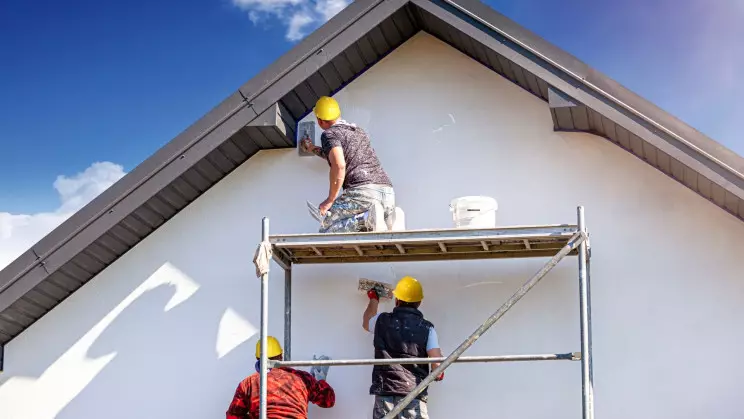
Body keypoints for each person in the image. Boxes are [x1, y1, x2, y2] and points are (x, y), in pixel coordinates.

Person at [300, 96, 395, 233]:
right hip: (387, 193)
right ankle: (391, 220)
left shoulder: (329, 134)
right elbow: (337, 154)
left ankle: (367, 219)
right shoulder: (358, 131)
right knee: (376, 227)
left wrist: (330, 200)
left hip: (364, 193)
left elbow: (339, 165)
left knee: (326, 225)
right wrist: (311, 148)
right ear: (338, 114)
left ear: (320, 121)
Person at [362, 276, 444, 419]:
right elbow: (437, 365)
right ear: (419, 302)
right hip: (414, 395)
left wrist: (374, 298)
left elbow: (366, 322)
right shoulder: (427, 328)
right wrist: (438, 373)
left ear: (397, 300)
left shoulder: (382, 321)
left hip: (385, 393)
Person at [226, 336, 336, 419]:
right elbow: (328, 401)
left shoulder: (249, 383)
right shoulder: (302, 378)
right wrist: (321, 381)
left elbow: (233, 416)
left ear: (257, 358)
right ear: (281, 356)